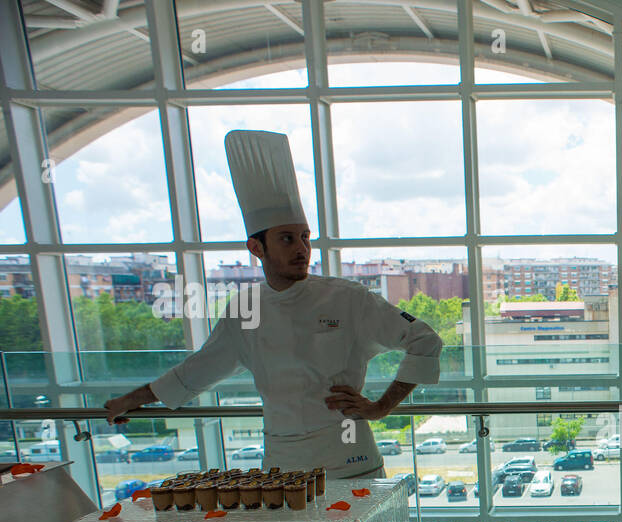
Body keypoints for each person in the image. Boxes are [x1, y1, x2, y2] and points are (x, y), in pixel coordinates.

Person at [103, 130, 442, 478]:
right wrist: (129, 400)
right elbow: (194, 373)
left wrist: (381, 407)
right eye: (286, 239)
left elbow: (425, 340)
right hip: (283, 464)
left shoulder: (347, 297)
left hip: (350, 456)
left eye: (305, 237)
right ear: (256, 248)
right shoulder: (244, 311)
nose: (302, 249)